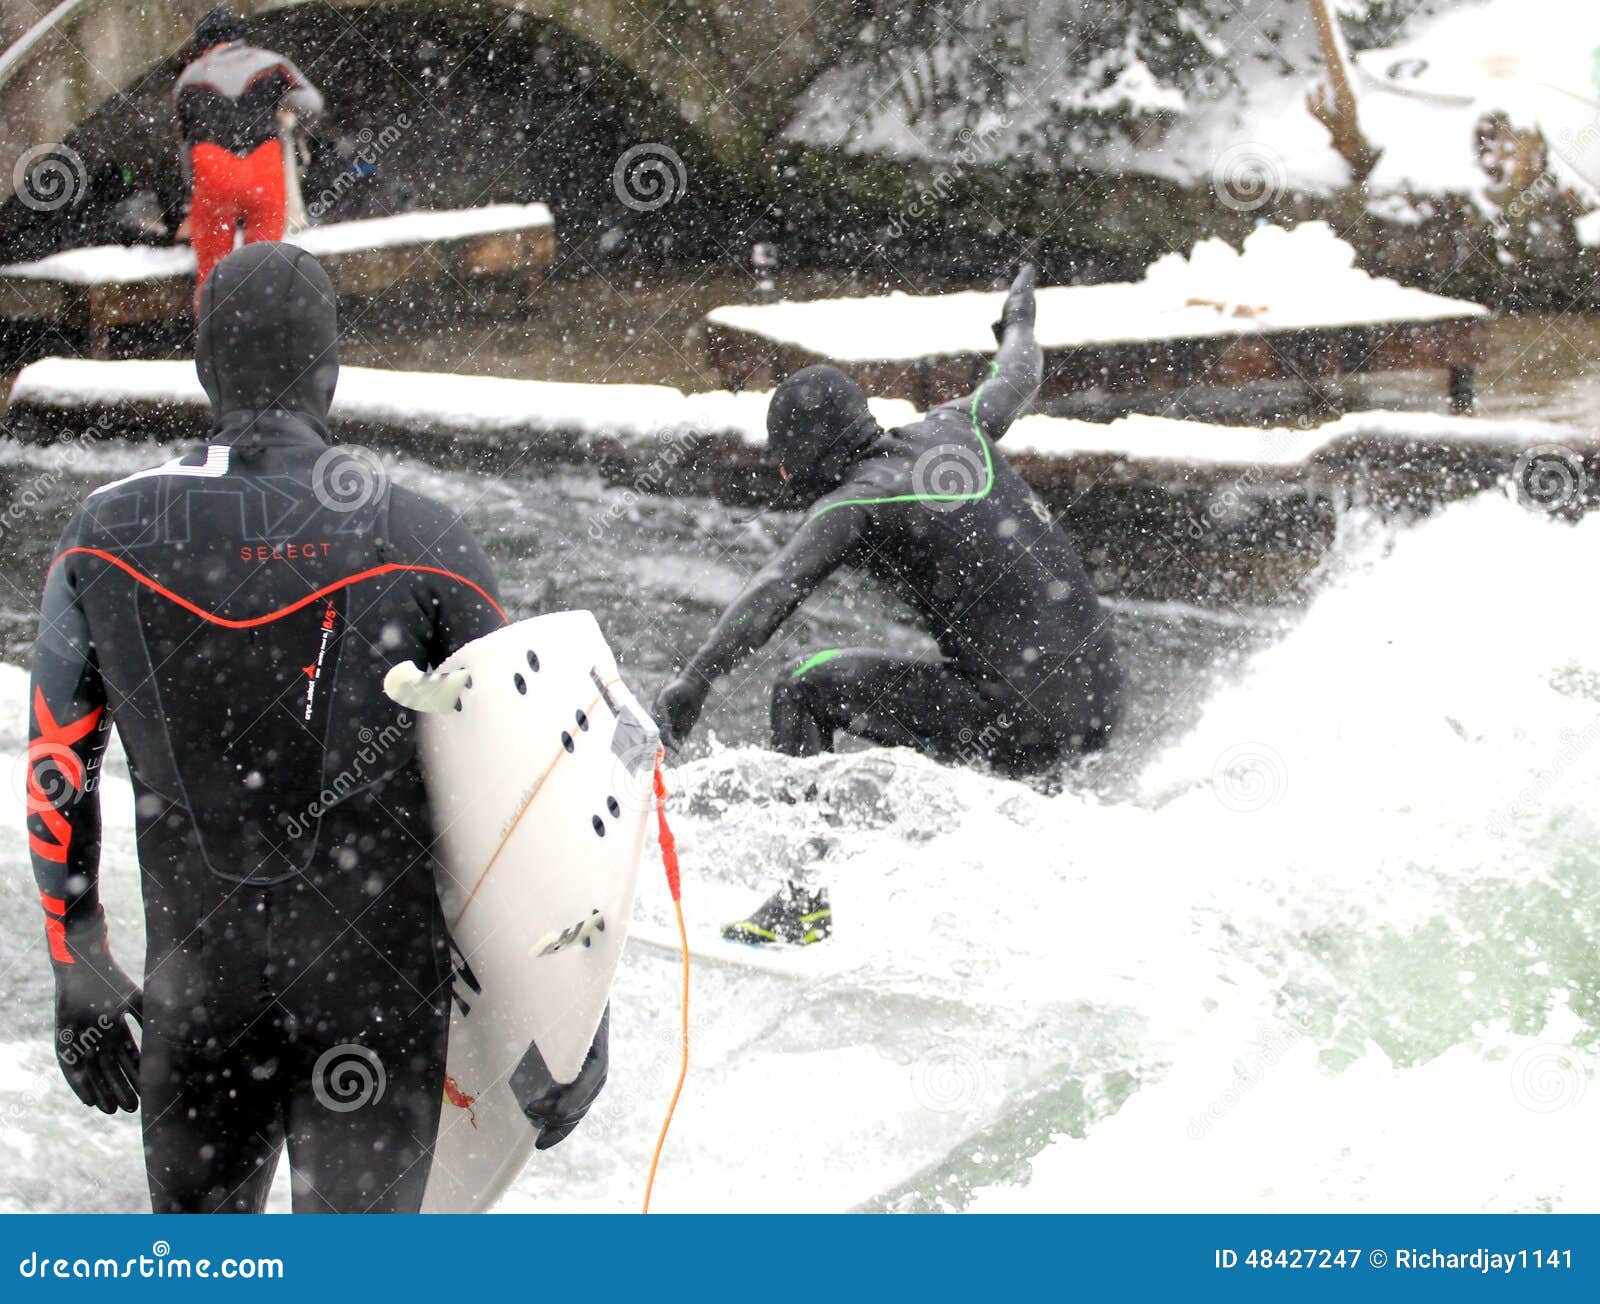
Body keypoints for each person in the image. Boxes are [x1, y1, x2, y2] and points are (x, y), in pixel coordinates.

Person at [26, 242, 605, 1213]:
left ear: (203, 367)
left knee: (203, 1274)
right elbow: (525, 785)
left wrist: (76, 955)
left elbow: (56, 761)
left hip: (198, 986)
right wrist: (568, 1003)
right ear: (331, 371)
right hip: (372, 994)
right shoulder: (423, 536)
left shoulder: (103, 536)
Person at [652, 266, 1122, 946]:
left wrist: (694, 682)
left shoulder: (858, 500)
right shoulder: (956, 427)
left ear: (808, 453)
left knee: (804, 687)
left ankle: (801, 904)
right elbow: (1019, 373)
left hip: (1022, 717)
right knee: (992, 687)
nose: (782, 475)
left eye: (785, 459)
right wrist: (1018, 321)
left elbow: (774, 589)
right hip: (1100, 701)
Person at [174, 8, 323, 289]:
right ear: (239, 37)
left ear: (203, 45)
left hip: (213, 170)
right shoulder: (271, 63)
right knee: (264, 269)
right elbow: (312, 104)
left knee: (213, 276)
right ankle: (262, 310)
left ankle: (217, 312)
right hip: (263, 168)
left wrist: (192, 196)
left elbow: (185, 149)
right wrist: (295, 131)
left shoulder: (189, 79)